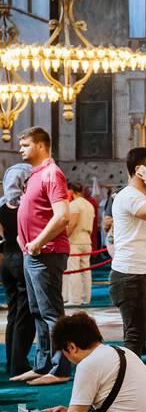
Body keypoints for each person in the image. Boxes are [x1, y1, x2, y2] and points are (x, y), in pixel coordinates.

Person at [13, 128, 73, 384]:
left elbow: (62, 216)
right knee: (37, 311)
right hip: (32, 252)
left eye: (25, 145)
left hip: (46, 252)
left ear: (40, 146)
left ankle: (59, 369)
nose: (20, 149)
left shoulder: (52, 173)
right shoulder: (34, 175)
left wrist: (38, 241)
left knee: (51, 313)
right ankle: (42, 365)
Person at [106, 146, 146, 360]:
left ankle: (133, 384)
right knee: (134, 338)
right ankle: (126, 387)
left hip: (143, 272)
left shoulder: (140, 195)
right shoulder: (130, 196)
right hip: (130, 276)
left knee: (139, 335)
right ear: (139, 169)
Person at [2, 164, 35, 378]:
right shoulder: (27, 204)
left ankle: (11, 360)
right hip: (22, 256)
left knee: (14, 311)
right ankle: (19, 364)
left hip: (6, 258)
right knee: (25, 313)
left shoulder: (2, 205)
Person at [61, 183, 96, 307]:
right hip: (87, 240)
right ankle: (86, 298)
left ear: (71, 191)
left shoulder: (74, 205)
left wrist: (64, 236)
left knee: (73, 271)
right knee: (86, 271)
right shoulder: (89, 205)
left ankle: (75, 299)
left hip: (75, 241)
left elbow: (73, 223)